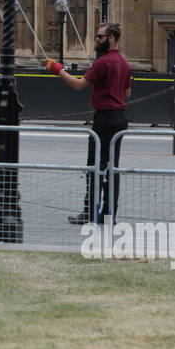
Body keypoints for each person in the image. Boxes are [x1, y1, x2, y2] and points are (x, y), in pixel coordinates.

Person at [47, 22, 132, 225]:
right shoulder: (124, 62)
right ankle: (109, 213)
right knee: (112, 167)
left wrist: (58, 69)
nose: (96, 40)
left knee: (95, 167)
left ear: (111, 38)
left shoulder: (103, 62)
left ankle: (90, 211)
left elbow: (79, 84)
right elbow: (127, 93)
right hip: (120, 117)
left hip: (104, 118)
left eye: (100, 37)